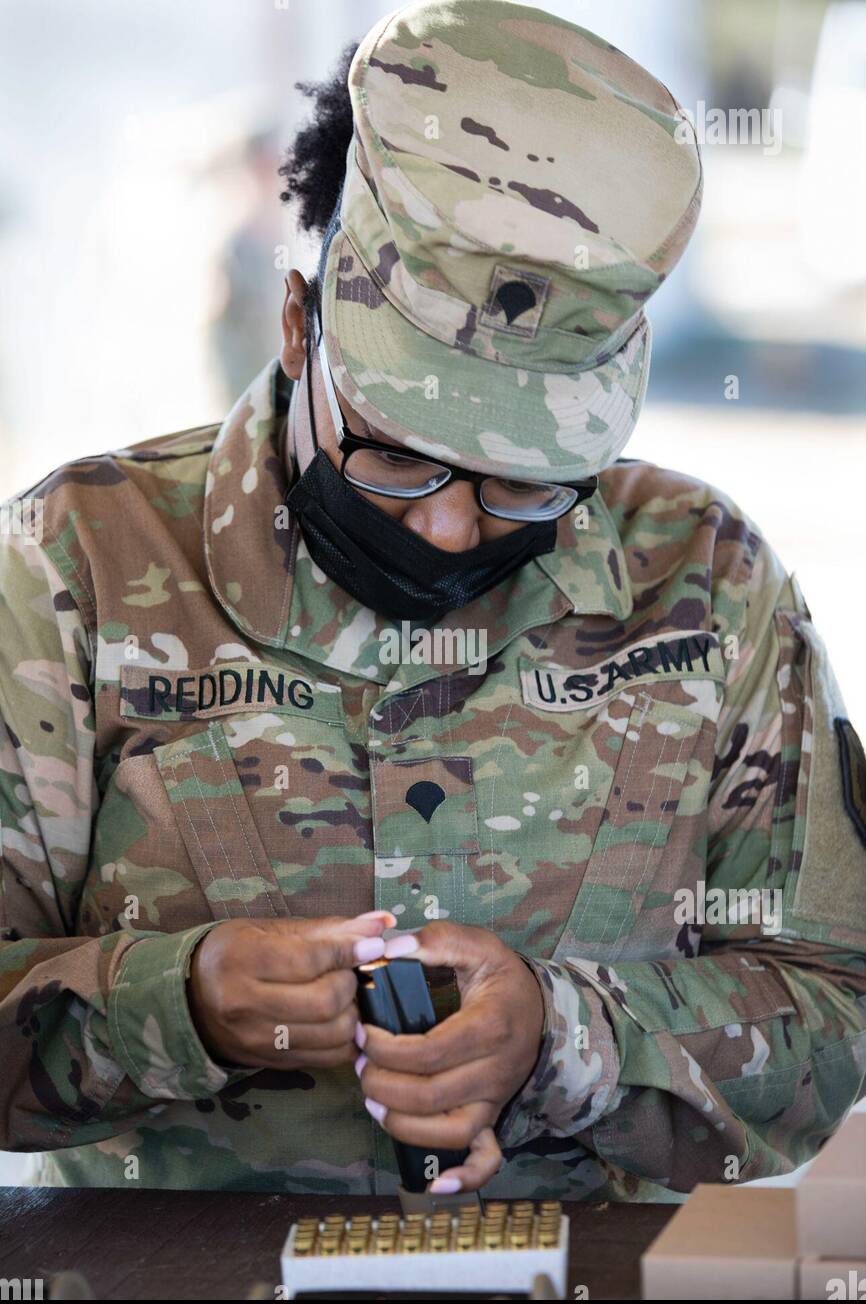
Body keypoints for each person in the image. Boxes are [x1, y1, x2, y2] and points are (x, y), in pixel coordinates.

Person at [1, 0, 864, 1202]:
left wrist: (569, 1036)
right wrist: (173, 1002)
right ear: (300, 329)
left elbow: (835, 1007)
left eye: (522, 484)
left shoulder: (707, 586)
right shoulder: (75, 565)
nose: (454, 526)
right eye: (400, 459)